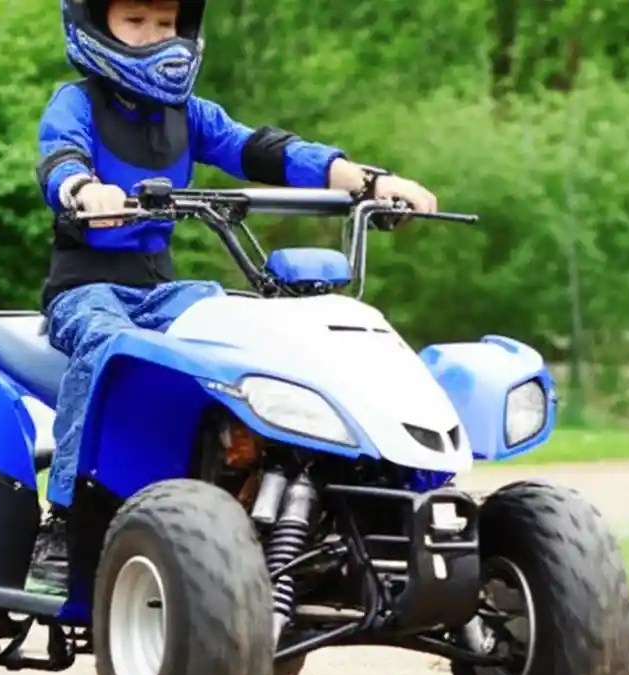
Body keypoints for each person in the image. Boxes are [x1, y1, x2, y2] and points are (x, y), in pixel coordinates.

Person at [26, 0, 440, 596]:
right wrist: (84, 190)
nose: (157, 37)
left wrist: (371, 182)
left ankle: (269, 495)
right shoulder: (77, 103)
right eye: (136, 21)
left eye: (167, 24)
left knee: (240, 326)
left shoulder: (188, 115)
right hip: (86, 288)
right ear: (95, 28)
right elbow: (60, 157)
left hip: (163, 291)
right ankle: (62, 522)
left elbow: (268, 150)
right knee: (105, 343)